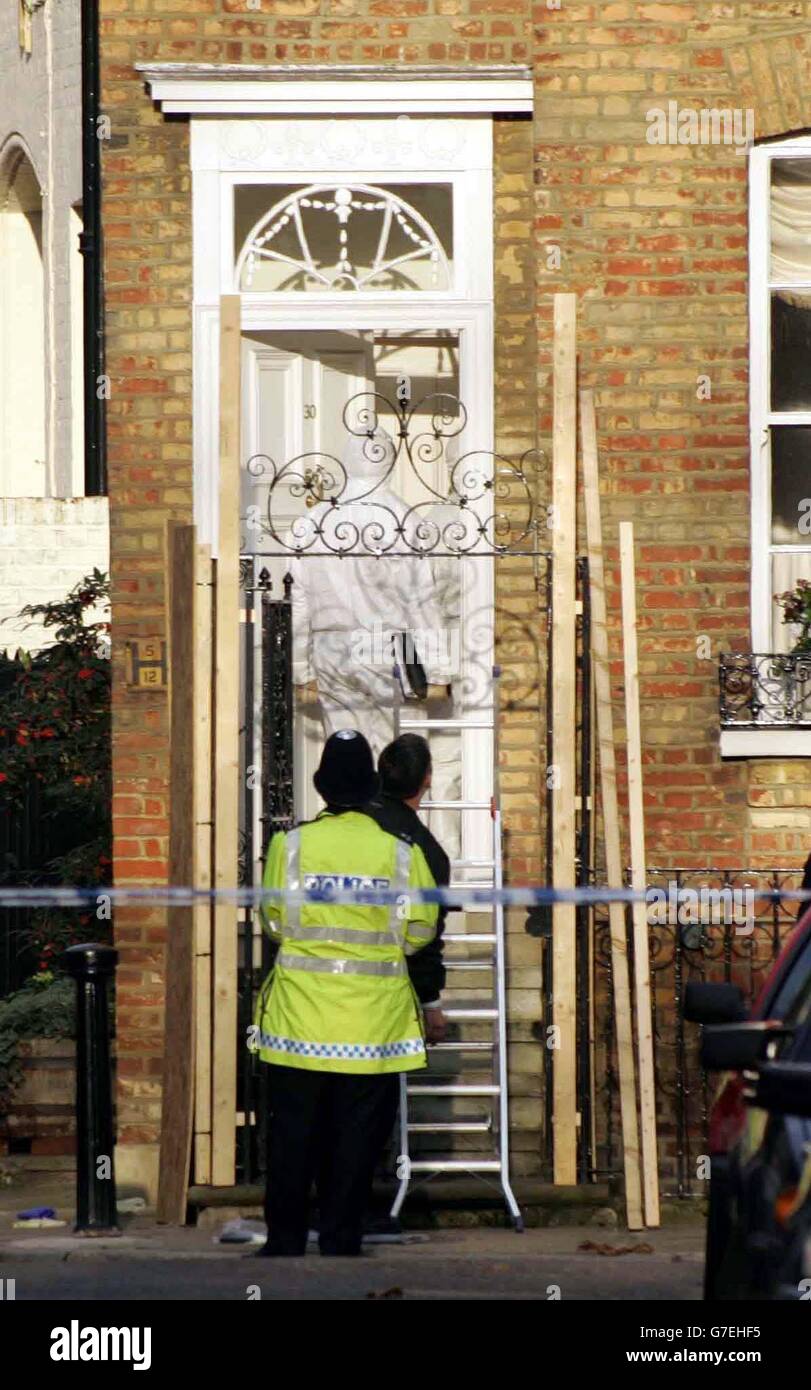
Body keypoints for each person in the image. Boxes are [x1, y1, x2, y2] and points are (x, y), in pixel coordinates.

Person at [253, 728, 439, 1257]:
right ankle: (341, 1239)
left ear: (323, 789)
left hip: (297, 1023)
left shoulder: (288, 847)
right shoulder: (399, 851)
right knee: (355, 1142)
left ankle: (284, 1241)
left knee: (292, 1138)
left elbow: (273, 922)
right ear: (370, 787)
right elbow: (421, 929)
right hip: (371, 1028)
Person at [289, 429, 453, 757]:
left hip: (331, 645)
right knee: (398, 756)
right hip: (391, 644)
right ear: (389, 464)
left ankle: (347, 806)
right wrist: (437, 670)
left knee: (345, 754)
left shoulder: (314, 521)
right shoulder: (406, 521)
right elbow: (422, 602)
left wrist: (300, 669)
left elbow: (299, 602)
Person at [365, 733, 453, 1045]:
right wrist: (431, 1002)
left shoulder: (341, 826)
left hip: (309, 1001)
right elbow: (424, 934)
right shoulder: (425, 852)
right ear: (427, 779)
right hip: (386, 1001)